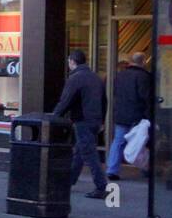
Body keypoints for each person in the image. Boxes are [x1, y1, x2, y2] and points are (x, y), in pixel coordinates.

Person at [53, 49, 108, 199]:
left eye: (69, 62)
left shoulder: (75, 78)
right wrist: (102, 120)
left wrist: (54, 116)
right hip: (95, 121)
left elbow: (66, 101)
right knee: (79, 151)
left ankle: (102, 186)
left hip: (83, 120)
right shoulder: (95, 77)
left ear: (72, 62)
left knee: (89, 154)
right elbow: (104, 101)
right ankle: (69, 180)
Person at [107, 52, 153, 180]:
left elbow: (116, 93)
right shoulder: (144, 77)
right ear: (143, 62)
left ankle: (112, 170)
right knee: (142, 143)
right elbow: (146, 97)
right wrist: (149, 115)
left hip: (121, 114)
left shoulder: (120, 75)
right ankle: (145, 168)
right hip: (138, 115)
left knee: (118, 142)